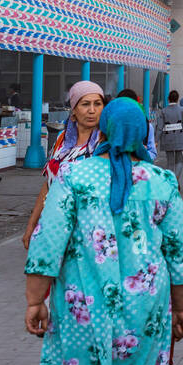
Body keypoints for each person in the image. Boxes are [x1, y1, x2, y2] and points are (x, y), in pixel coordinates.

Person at [24, 97, 183, 365]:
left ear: (102, 131)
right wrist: (182, 309)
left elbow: (47, 242)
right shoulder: (162, 181)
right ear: (143, 135)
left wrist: (35, 300)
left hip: (83, 308)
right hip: (147, 310)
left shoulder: (73, 176)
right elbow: (179, 253)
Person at [22, 81, 106, 248]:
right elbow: (49, 184)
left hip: (90, 231)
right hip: (54, 224)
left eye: (97, 104)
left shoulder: (106, 143)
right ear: (73, 111)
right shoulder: (62, 141)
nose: (92, 110)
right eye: (85, 104)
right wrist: (31, 225)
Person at [156, 90, 183, 180]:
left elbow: (159, 127)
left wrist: (156, 141)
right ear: (177, 99)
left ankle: (171, 180)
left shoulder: (163, 111)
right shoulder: (182, 110)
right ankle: (176, 178)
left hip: (167, 138)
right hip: (179, 138)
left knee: (170, 162)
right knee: (179, 160)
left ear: (168, 99)